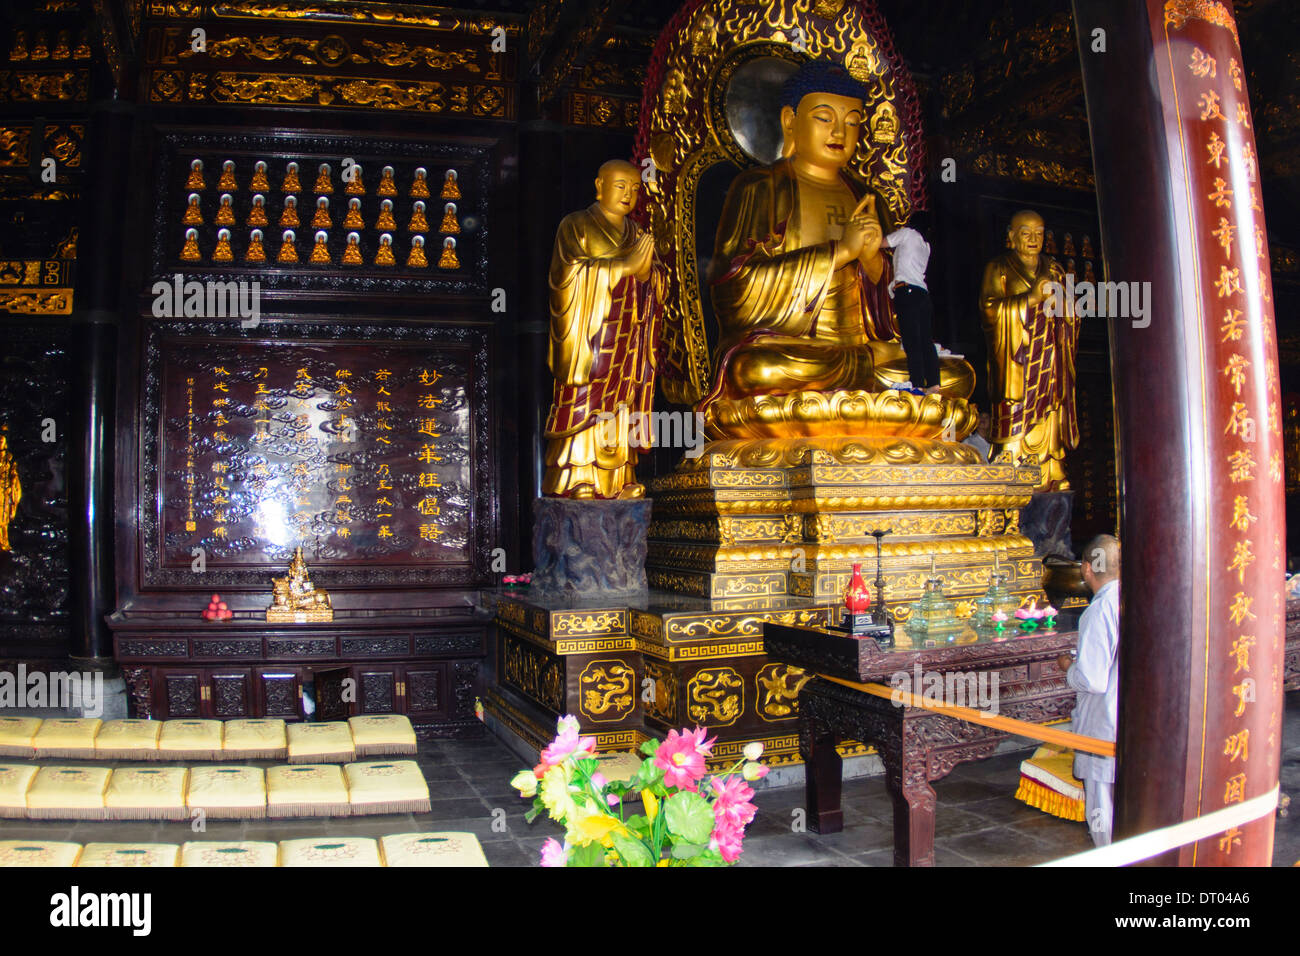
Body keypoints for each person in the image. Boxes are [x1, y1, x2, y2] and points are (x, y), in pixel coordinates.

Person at [542, 159, 664, 499]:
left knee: (622, 406)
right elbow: (566, 278)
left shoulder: (638, 234)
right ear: (599, 186)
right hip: (590, 340)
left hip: (626, 339)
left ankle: (619, 479)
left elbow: (655, 280)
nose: (628, 194)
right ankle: (578, 479)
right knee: (585, 406)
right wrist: (622, 267)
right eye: (620, 186)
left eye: (635, 189)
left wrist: (647, 278)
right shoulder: (576, 225)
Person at [979, 209, 1080, 491]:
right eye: (1026, 233)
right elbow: (989, 310)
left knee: (1051, 407)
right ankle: (1012, 456)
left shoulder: (1056, 270)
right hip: (1017, 358)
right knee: (1016, 404)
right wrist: (1032, 298)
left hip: (1049, 353)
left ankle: (1051, 468)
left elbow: (1071, 312)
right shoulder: (998, 268)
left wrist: (1066, 310)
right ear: (1011, 236)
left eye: (1039, 233)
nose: (1034, 239)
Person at [1057, 533, 1120, 846]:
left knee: (1102, 805)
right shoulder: (1135, 599)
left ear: (1086, 569)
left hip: (1104, 722)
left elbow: (1093, 679)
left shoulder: (1099, 611)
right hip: (1133, 719)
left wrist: (1069, 668)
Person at [882, 223, 941, 394]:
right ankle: (933, 383)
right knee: (925, 341)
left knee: (911, 340)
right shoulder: (926, 246)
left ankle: (916, 382)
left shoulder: (907, 233)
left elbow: (883, 242)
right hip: (922, 293)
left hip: (906, 291)